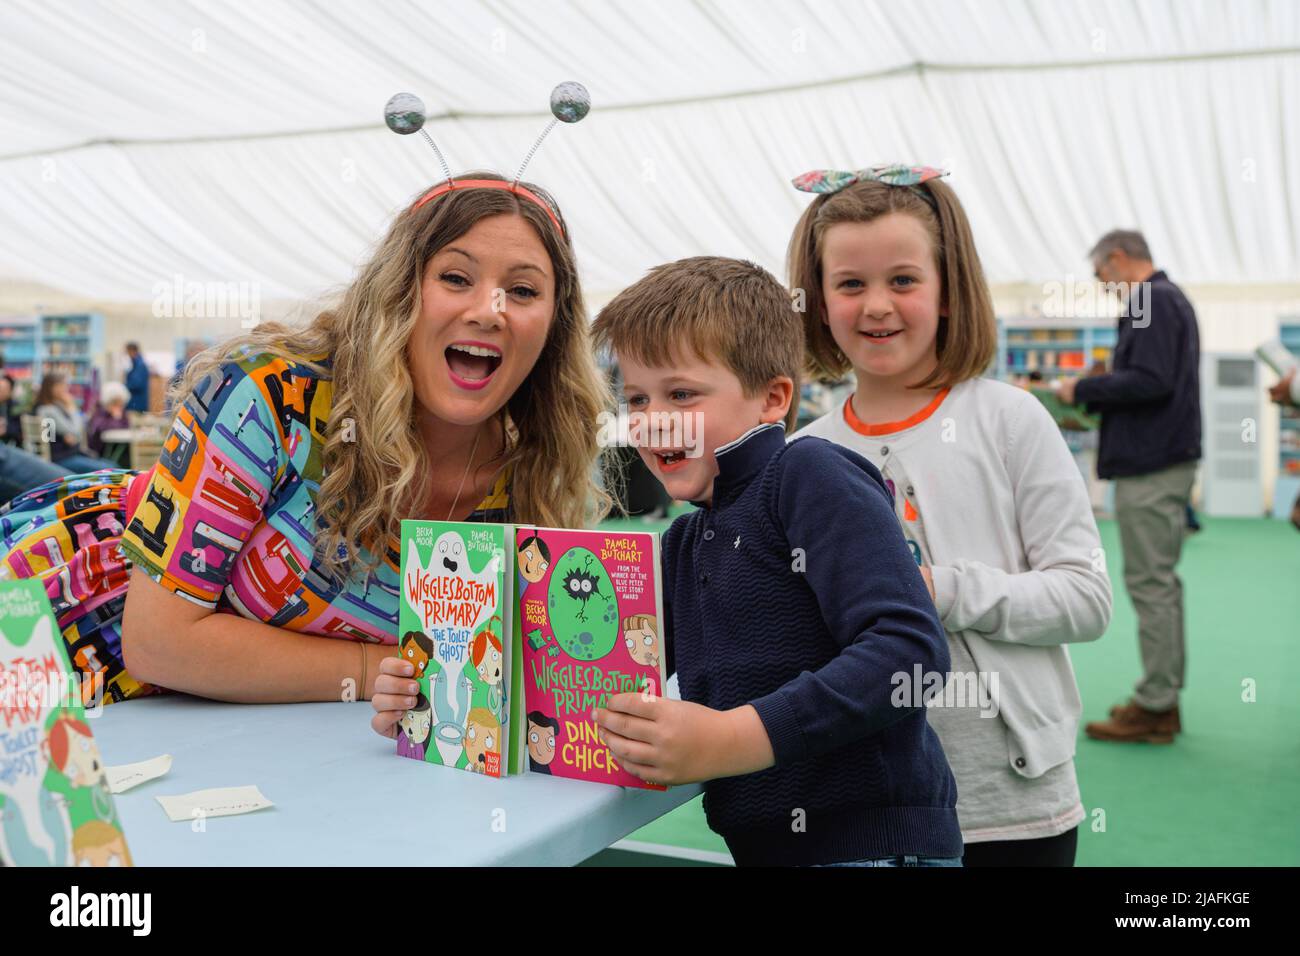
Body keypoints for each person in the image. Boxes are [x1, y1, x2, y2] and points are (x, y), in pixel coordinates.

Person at [0, 170, 610, 707]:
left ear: (554, 325)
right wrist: (379, 671)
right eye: (455, 277)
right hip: (53, 645)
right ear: (399, 293)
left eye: (524, 290)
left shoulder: (534, 470)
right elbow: (159, 644)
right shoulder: (269, 395)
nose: (490, 309)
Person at [582, 256, 962, 867]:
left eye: (681, 394)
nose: (652, 421)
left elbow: (908, 651)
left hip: (875, 850)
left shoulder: (807, 474)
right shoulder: (682, 544)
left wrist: (735, 738)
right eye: (636, 399)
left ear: (773, 399)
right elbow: (614, 668)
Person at [786, 164, 1111, 866]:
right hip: (866, 808)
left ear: (949, 290)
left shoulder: (1011, 421)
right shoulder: (803, 454)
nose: (876, 306)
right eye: (850, 284)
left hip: (1014, 808)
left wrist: (939, 591)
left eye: (903, 280)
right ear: (816, 300)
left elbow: (1086, 599)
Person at [1058, 230, 1201, 744]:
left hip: (1153, 463)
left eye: (1100, 275)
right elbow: (1151, 380)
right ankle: (1160, 698)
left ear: (1117, 260)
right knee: (1157, 582)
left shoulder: (1152, 301)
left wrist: (1082, 388)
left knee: (1151, 583)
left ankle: (1157, 704)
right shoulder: (1164, 299)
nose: (1103, 285)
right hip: (1159, 457)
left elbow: (1151, 379)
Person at [32, 373, 118, 472]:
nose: (66, 389)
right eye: (62, 385)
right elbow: (76, 431)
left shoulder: (49, 406)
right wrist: (72, 407)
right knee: (112, 469)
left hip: (64, 455)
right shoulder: (48, 409)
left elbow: (72, 433)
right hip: (62, 458)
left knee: (111, 465)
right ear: (52, 387)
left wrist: (68, 435)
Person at [86, 382, 131, 459]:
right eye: (116, 403)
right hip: (100, 451)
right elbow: (100, 428)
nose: (119, 406)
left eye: (121, 404)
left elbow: (126, 425)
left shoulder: (121, 412)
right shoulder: (99, 412)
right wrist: (116, 418)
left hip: (117, 447)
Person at [124, 343, 150, 413]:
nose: (127, 355)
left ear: (132, 351)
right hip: (135, 403)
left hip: (137, 404)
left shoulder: (140, 365)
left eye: (127, 352)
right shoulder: (135, 365)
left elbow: (136, 384)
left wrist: (124, 386)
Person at [0, 374, 23, 446]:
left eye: (4, 389)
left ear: (11, 391)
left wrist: (6, 429)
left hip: (11, 445)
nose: (1, 392)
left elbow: (21, 430)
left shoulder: (16, 407)